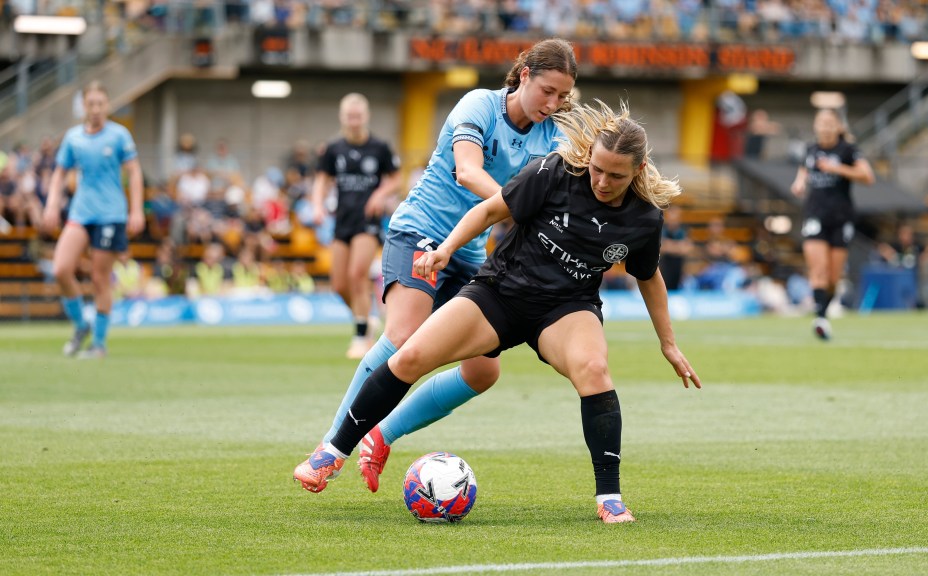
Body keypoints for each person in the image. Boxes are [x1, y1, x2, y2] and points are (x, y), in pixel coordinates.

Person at [294, 100, 701, 524]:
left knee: (594, 370)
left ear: (637, 170)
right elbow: (489, 210)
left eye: (615, 175)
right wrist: (446, 250)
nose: (600, 180)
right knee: (410, 355)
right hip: (500, 293)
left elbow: (649, 277)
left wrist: (668, 343)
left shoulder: (644, 219)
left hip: (565, 308)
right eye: (597, 168)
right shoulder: (554, 172)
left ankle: (609, 497)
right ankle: (332, 451)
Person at [294, 38, 578, 494]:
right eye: (547, 90)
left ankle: (381, 434)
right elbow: (466, 171)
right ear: (524, 75)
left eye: (563, 96)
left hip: (467, 252)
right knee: (404, 333)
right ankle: (332, 446)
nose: (554, 103)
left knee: (483, 373)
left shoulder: (556, 135)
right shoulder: (479, 106)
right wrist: (518, 207)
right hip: (420, 232)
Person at [42, 81, 144, 359]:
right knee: (61, 269)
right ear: (83, 106)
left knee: (100, 278)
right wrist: (52, 204)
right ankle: (80, 325)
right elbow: (60, 174)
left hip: (111, 214)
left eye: (101, 103)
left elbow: (134, 172)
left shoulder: (119, 135)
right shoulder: (74, 138)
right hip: (81, 213)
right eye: (91, 104)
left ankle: (99, 343)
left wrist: (136, 210)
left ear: (107, 105)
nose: (96, 109)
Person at [311, 93, 402, 359]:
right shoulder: (333, 149)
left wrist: (378, 195)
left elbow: (395, 179)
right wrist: (317, 205)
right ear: (342, 118)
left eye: (358, 116)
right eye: (349, 116)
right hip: (342, 221)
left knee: (357, 274)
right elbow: (321, 181)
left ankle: (361, 337)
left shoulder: (379, 148)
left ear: (366, 117)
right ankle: (367, 318)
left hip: (367, 222)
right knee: (339, 284)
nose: (353, 121)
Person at [790, 108, 875, 340]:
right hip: (815, 215)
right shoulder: (810, 149)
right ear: (816, 126)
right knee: (818, 270)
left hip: (841, 218)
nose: (825, 127)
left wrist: (836, 168)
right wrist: (799, 182)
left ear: (838, 126)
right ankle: (820, 319)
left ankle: (824, 313)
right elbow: (804, 169)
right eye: (821, 123)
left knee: (833, 278)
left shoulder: (848, 150)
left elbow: (868, 176)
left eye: (830, 123)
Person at [877, 222, 928, 309]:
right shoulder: (896, 245)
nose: (906, 236)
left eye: (908, 234)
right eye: (904, 233)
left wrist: (922, 259)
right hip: (896, 278)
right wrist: (891, 256)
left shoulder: (916, 246)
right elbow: (882, 247)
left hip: (913, 278)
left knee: (914, 296)